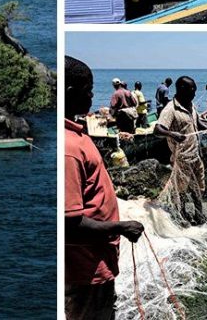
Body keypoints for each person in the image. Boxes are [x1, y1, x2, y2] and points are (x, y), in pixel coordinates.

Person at [64, 56, 145, 320]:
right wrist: (120, 227)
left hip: (98, 262)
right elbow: (70, 222)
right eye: (88, 91)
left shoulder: (76, 135)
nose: (91, 96)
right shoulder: (69, 149)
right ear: (71, 93)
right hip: (86, 268)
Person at [154, 76, 207, 226]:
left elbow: (196, 121)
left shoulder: (190, 105)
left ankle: (198, 214)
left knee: (199, 187)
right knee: (182, 190)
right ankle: (183, 215)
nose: (195, 93)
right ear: (182, 90)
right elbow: (157, 129)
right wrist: (172, 134)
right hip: (182, 158)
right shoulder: (170, 109)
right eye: (192, 90)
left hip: (196, 155)